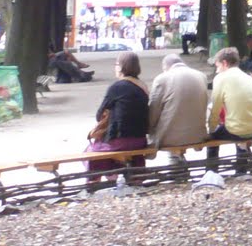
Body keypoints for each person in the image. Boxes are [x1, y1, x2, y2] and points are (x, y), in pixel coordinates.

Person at [85, 51, 151, 181]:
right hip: (140, 139)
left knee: (92, 151)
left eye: (116, 64)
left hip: (121, 140)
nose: (115, 67)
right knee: (115, 152)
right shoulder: (142, 86)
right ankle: (133, 179)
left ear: (121, 67)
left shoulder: (117, 87)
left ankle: (96, 183)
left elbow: (99, 115)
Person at [206, 46, 252, 173]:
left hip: (238, 130)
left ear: (225, 63)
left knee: (213, 137)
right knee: (237, 126)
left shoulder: (221, 78)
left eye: (217, 66)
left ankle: (211, 172)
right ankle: (241, 170)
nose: (217, 70)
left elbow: (215, 110)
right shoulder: (247, 77)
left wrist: (210, 129)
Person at [149, 54, 210, 167]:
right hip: (198, 134)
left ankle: (175, 163)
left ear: (165, 66)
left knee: (163, 127)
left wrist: (149, 129)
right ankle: (179, 163)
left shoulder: (162, 79)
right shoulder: (201, 76)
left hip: (171, 138)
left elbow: (153, 111)